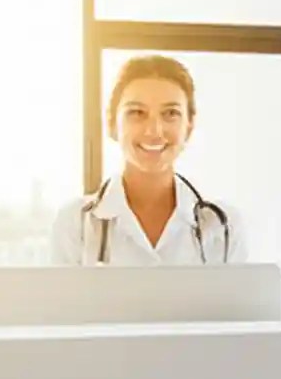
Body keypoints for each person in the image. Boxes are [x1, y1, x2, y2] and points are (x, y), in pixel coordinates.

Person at [51, 54, 245, 265]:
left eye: (170, 113)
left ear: (189, 126)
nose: (154, 130)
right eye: (137, 113)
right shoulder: (76, 223)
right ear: (112, 124)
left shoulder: (222, 226)